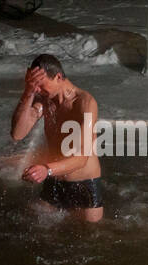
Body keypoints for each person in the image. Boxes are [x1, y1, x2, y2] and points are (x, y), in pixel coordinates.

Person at [10, 54, 103, 222]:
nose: (38, 90)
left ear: (58, 77)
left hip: (83, 184)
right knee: (28, 224)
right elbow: (18, 134)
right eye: (34, 86)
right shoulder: (44, 100)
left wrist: (46, 169)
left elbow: (81, 158)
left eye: (40, 85)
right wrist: (28, 93)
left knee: (91, 238)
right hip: (54, 180)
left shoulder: (84, 103)